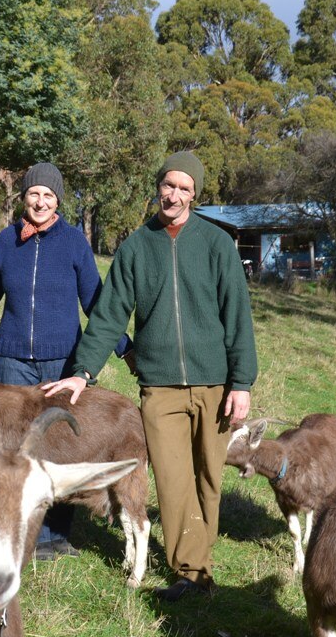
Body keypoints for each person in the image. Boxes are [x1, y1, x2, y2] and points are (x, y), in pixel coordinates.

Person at [42, 151, 257, 600]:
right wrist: (83, 372)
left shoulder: (216, 245)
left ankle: (198, 561)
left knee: (208, 479)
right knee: (174, 482)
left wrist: (242, 383)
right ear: (158, 187)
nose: (174, 194)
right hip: (159, 387)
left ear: (194, 195)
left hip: (214, 385)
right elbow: (107, 316)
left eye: (184, 188)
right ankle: (191, 574)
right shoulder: (136, 247)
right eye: (168, 185)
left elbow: (238, 316)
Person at [0, 161, 131, 560]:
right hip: (13, 362)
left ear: (58, 202)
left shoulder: (73, 242)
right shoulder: (5, 242)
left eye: (48, 195)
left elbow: (96, 302)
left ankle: (55, 533)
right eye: (34, 193)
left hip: (62, 363)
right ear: (24, 197)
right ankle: (14, 527)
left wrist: (125, 347)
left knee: (60, 444)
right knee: (13, 447)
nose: (40, 201)